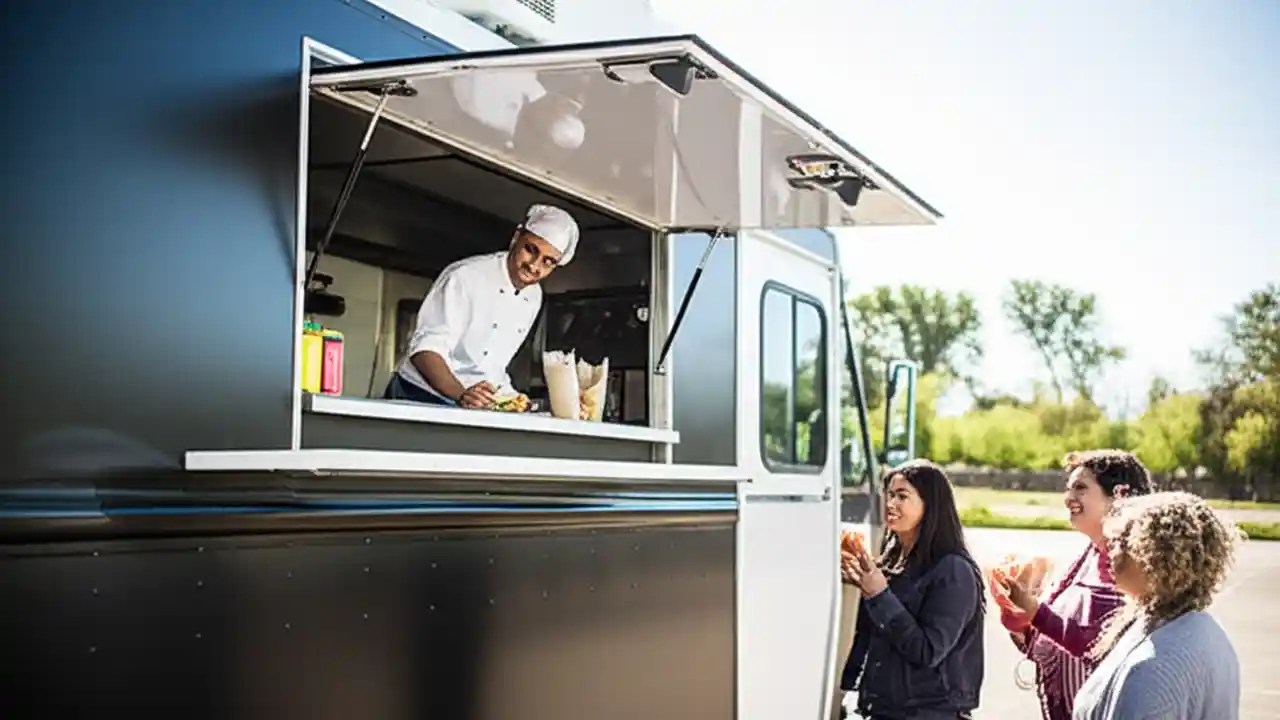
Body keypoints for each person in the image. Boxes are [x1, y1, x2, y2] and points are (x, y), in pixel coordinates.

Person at [993, 450, 1153, 720]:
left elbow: (1102, 646)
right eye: (1069, 489)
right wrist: (1020, 623)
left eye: (1080, 488)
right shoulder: (1088, 555)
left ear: (1119, 496)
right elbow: (1056, 644)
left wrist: (1035, 612)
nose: (1068, 499)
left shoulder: (1129, 566)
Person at [384, 203, 579, 408]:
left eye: (548, 262)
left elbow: (493, 368)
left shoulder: (534, 296)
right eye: (531, 250)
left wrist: (520, 402)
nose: (534, 266)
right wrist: (461, 394)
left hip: (471, 404)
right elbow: (425, 351)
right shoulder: (466, 276)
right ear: (516, 237)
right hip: (418, 394)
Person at [1072, 491, 1242, 720]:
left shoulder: (1153, 669)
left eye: (1124, 542)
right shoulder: (1202, 627)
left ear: (1160, 558)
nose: (1112, 550)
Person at [841, 460, 985, 720]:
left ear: (930, 504)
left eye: (902, 496)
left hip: (929, 712)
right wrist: (849, 690)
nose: (890, 504)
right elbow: (871, 637)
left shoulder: (954, 571)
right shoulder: (890, 562)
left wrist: (880, 596)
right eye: (890, 495)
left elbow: (928, 650)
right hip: (881, 710)